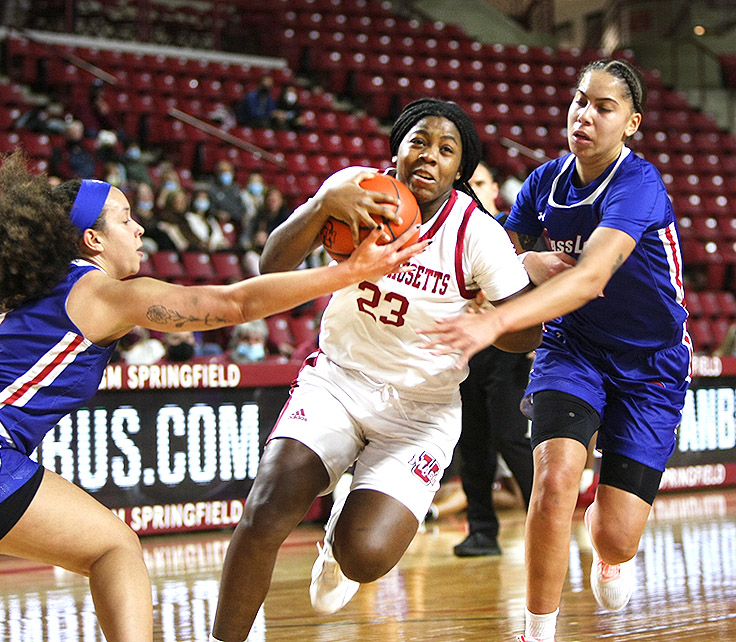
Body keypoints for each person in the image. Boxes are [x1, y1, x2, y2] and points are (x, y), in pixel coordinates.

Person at [0, 150, 426, 642]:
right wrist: (345, 273)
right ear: (92, 239)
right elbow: (231, 303)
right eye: (125, 219)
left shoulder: (2, 291)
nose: (139, 231)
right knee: (115, 549)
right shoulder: (100, 292)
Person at [210, 98, 543, 642]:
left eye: (446, 149)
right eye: (418, 141)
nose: (429, 156)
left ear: (460, 168)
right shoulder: (357, 191)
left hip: (421, 409)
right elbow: (271, 268)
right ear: (397, 149)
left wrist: (494, 318)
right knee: (266, 509)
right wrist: (322, 203)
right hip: (338, 380)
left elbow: (526, 332)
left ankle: (339, 548)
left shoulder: (476, 232)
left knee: (366, 556)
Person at [420, 60, 692, 642]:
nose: (584, 114)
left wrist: (495, 320)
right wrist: (522, 263)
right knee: (553, 479)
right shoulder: (545, 182)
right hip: (574, 347)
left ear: (632, 124)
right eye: (578, 100)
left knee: (616, 533)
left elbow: (591, 276)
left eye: (602, 106)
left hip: (652, 365)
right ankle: (536, 631)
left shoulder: (637, 184)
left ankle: (613, 550)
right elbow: (495, 253)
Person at [453, 161, 536, 557]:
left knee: (510, 434)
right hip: (466, 349)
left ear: (495, 189)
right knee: (473, 442)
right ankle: (482, 530)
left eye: (480, 183)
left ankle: (546, 516)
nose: (472, 189)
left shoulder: (512, 229)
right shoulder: (450, 233)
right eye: (466, 183)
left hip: (510, 346)